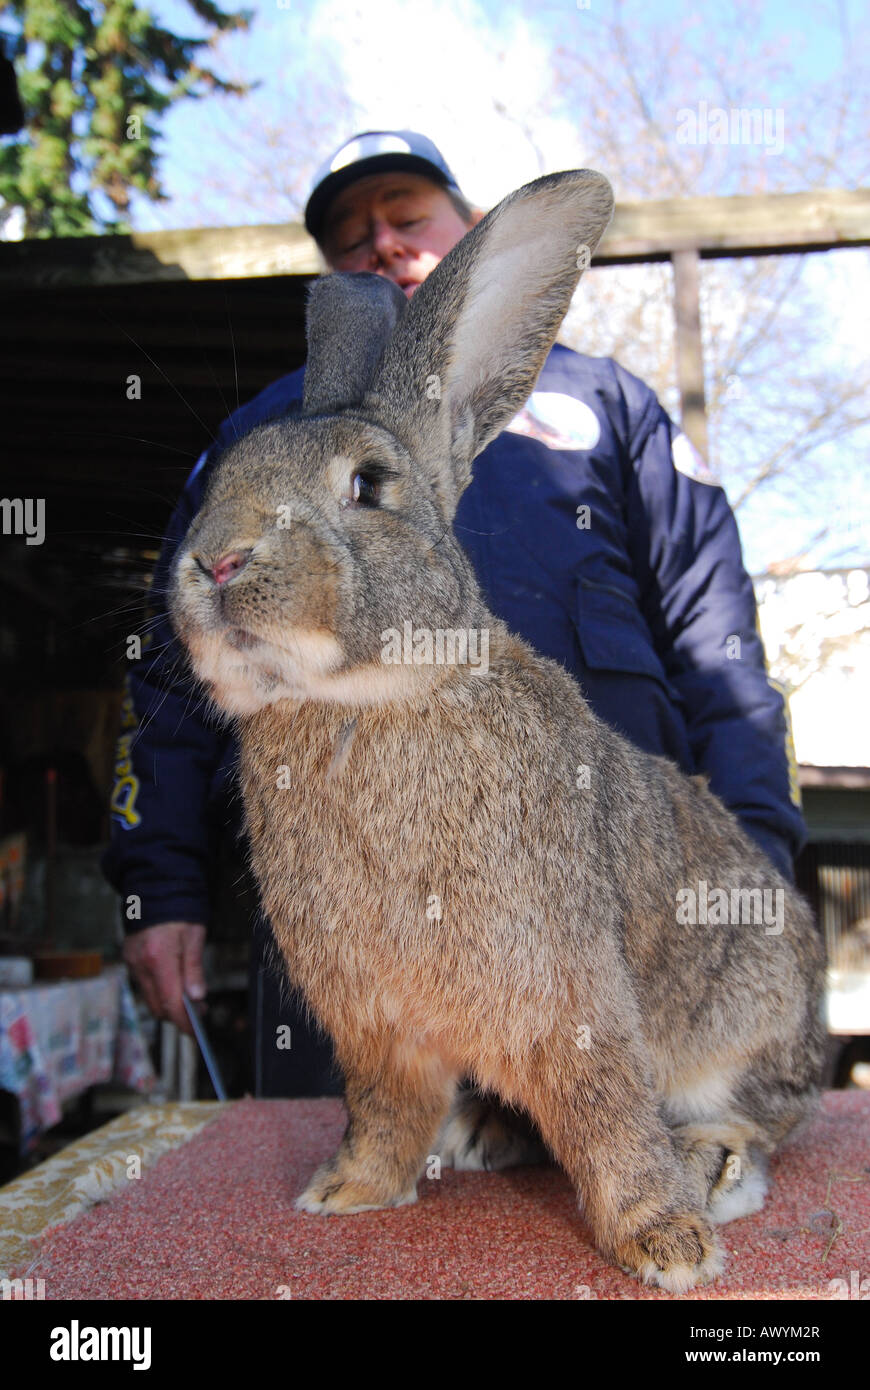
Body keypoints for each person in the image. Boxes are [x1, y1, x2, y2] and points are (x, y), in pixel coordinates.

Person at [103, 129, 806, 1100]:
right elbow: (167, 675)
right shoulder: (262, 435)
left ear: (472, 231)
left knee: (627, 1183)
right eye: (350, 235)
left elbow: (715, 641)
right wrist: (160, 886)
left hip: (610, 906)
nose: (381, 243)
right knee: (359, 1217)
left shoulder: (606, 404)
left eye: (406, 213)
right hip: (350, 921)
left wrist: (757, 859)